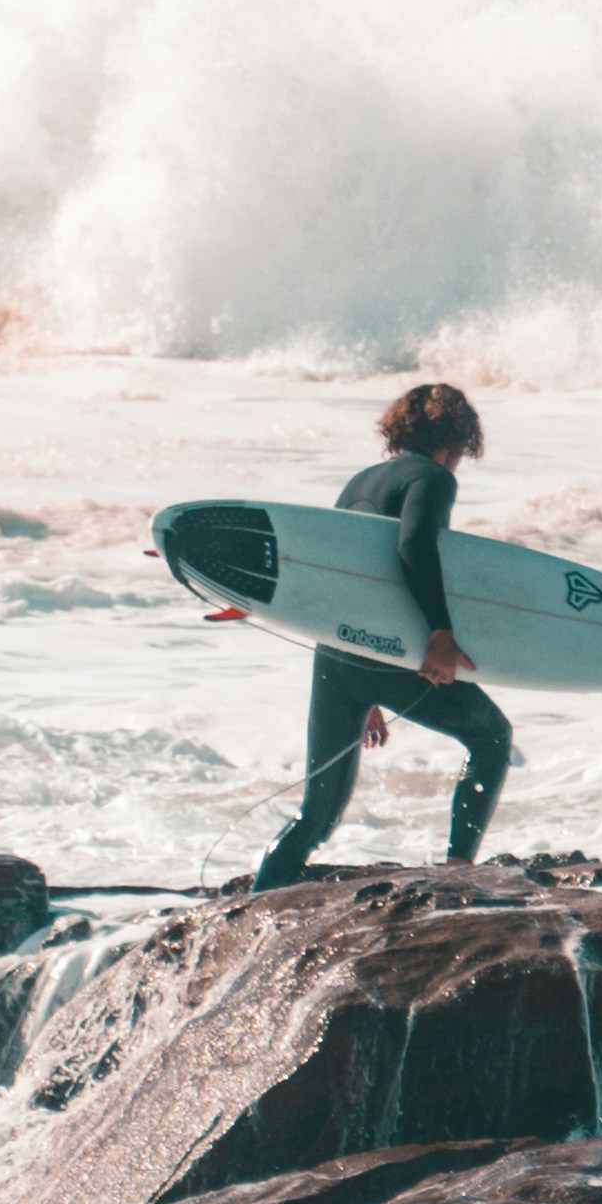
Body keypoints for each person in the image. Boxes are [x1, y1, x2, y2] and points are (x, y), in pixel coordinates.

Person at [250, 378, 514, 885]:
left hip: (338, 655)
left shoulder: (361, 482)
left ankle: (255, 900)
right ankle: (458, 868)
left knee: (317, 814)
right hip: (385, 656)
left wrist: (362, 690)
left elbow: (339, 576)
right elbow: (415, 545)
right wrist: (440, 632)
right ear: (457, 436)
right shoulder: (434, 480)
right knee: (491, 735)